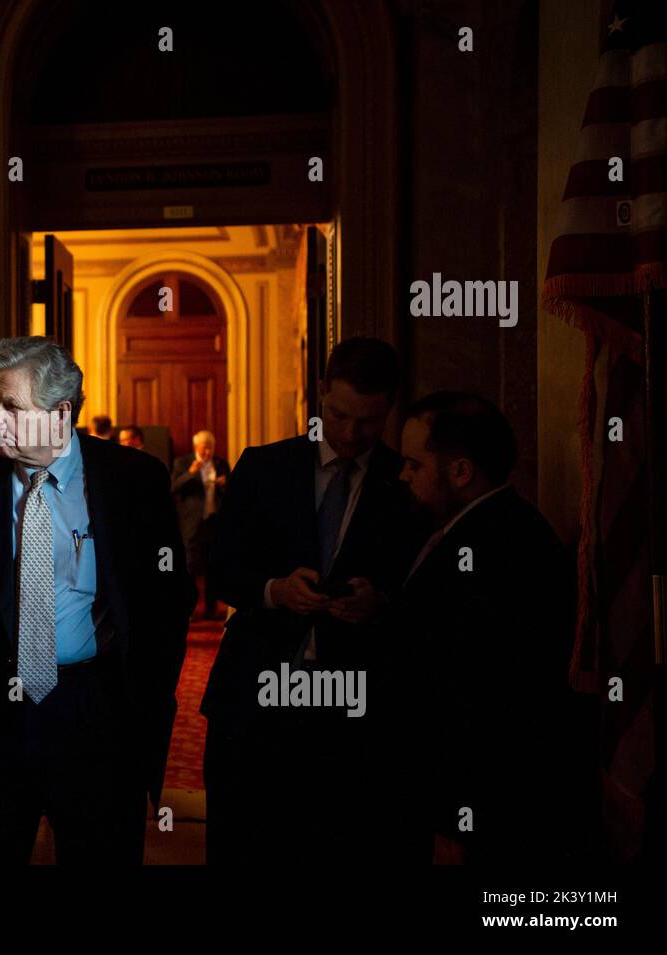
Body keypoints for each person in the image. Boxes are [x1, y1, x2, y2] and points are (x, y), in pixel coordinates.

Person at [0, 336, 194, 864]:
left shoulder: (134, 481)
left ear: (61, 411)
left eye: (12, 407)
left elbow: (169, 602)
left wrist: (141, 702)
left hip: (97, 717)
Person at [202, 336, 416, 864]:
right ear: (321, 392)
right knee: (245, 846)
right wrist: (274, 591)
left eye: (366, 422)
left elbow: (429, 594)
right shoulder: (263, 467)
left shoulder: (407, 481)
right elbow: (221, 567)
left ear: (391, 405)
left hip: (358, 705)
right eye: (338, 415)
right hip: (256, 696)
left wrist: (380, 602)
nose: (348, 434)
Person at [394, 391, 576, 865]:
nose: (403, 476)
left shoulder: (500, 544)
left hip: (481, 809)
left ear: (460, 472)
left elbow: (481, 700)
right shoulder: (476, 525)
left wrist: (455, 821)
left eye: (414, 465)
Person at [171, 430, 230, 619]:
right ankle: (189, 610)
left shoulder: (221, 464)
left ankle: (211, 610)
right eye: (204, 448)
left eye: (211, 448)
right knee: (190, 569)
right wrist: (191, 473)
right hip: (191, 524)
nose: (207, 452)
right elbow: (173, 488)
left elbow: (232, 491)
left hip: (214, 522)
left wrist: (224, 484)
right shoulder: (183, 462)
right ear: (196, 447)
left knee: (213, 569)